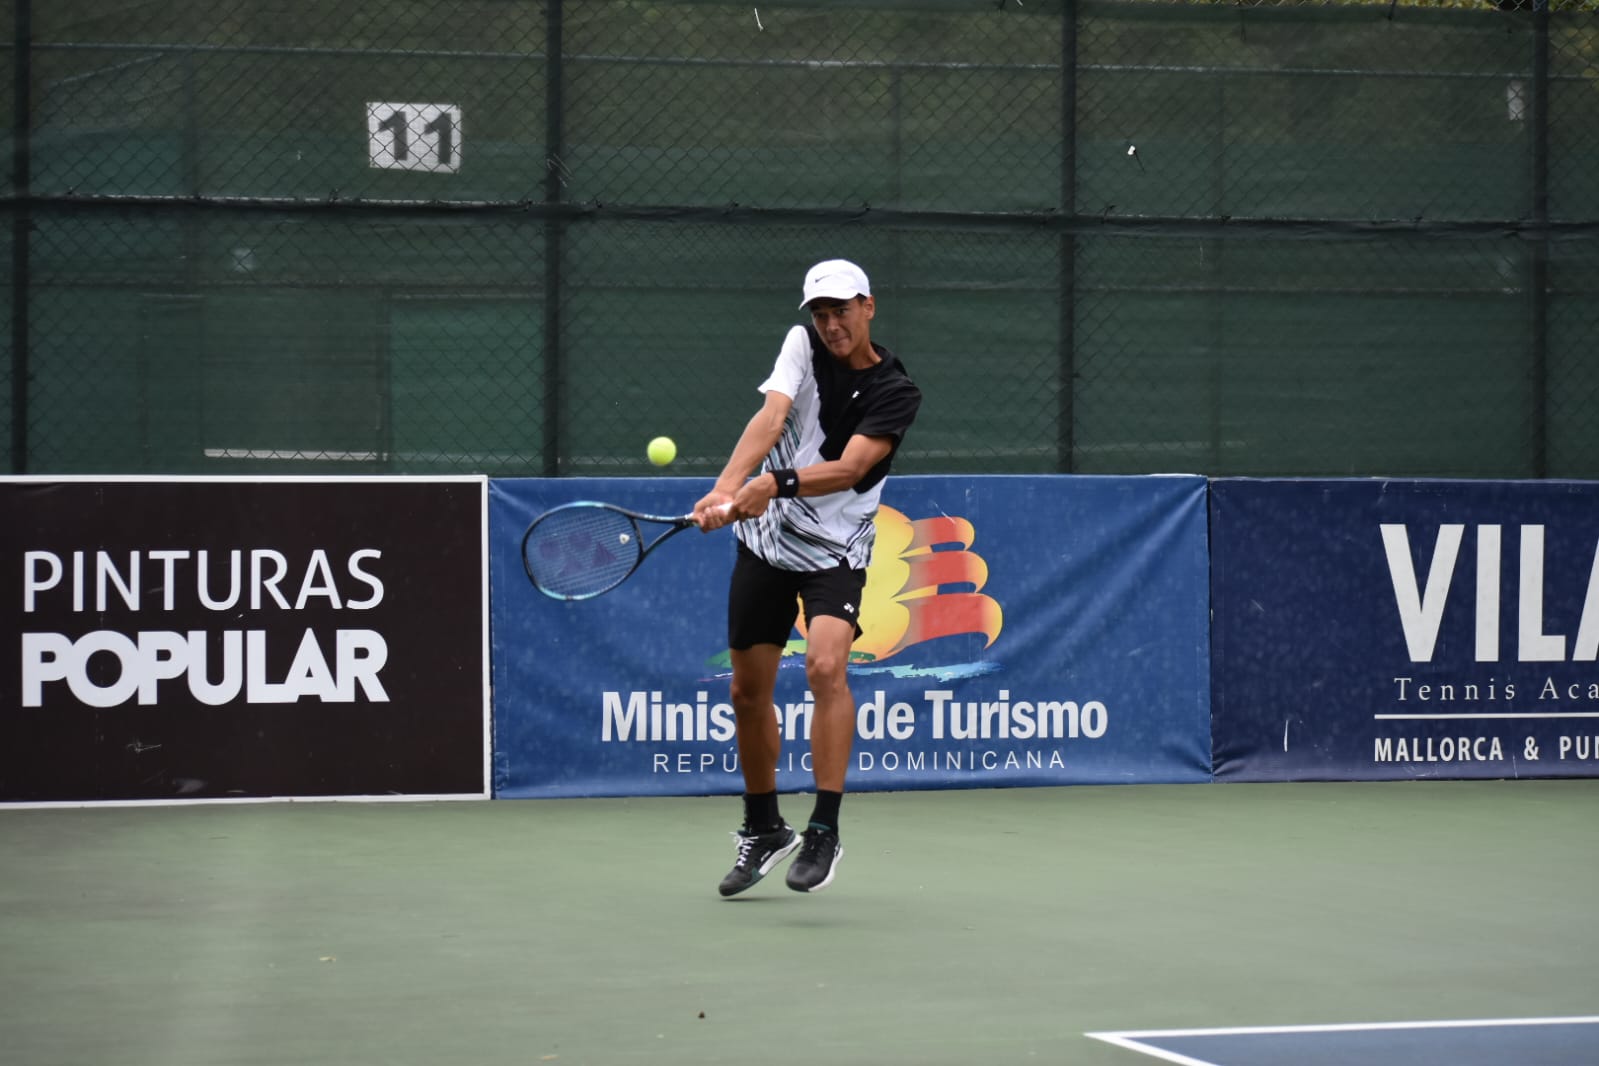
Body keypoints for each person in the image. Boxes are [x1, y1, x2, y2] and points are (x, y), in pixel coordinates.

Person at [694, 259, 921, 897]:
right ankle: (763, 827)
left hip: (835, 549)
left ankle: (823, 827)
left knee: (825, 667)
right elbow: (770, 420)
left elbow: (850, 469)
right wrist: (724, 490)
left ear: (867, 307)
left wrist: (772, 483)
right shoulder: (800, 345)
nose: (829, 325)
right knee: (747, 691)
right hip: (764, 544)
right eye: (820, 313)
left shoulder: (895, 392)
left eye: (840, 311)